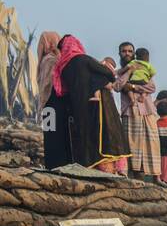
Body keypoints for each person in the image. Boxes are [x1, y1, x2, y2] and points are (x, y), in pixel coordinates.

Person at [51, 36, 130, 171]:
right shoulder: (83, 59)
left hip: (78, 109)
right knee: (103, 137)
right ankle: (109, 171)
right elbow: (108, 73)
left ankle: (92, 169)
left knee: (87, 139)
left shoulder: (62, 68)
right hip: (96, 106)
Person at [112, 41, 160, 182]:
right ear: (120, 54)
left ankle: (154, 178)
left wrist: (131, 86)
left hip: (147, 111)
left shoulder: (143, 68)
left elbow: (151, 87)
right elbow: (117, 86)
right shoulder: (127, 69)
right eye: (124, 51)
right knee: (132, 145)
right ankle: (134, 176)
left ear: (134, 54)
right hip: (130, 112)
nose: (127, 54)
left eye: (129, 51)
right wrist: (128, 77)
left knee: (151, 145)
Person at [35, 31, 71, 169]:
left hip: (50, 104)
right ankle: (61, 164)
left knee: (51, 134)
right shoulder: (60, 58)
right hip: (59, 104)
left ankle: (53, 165)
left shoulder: (49, 60)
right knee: (58, 134)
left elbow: (47, 84)